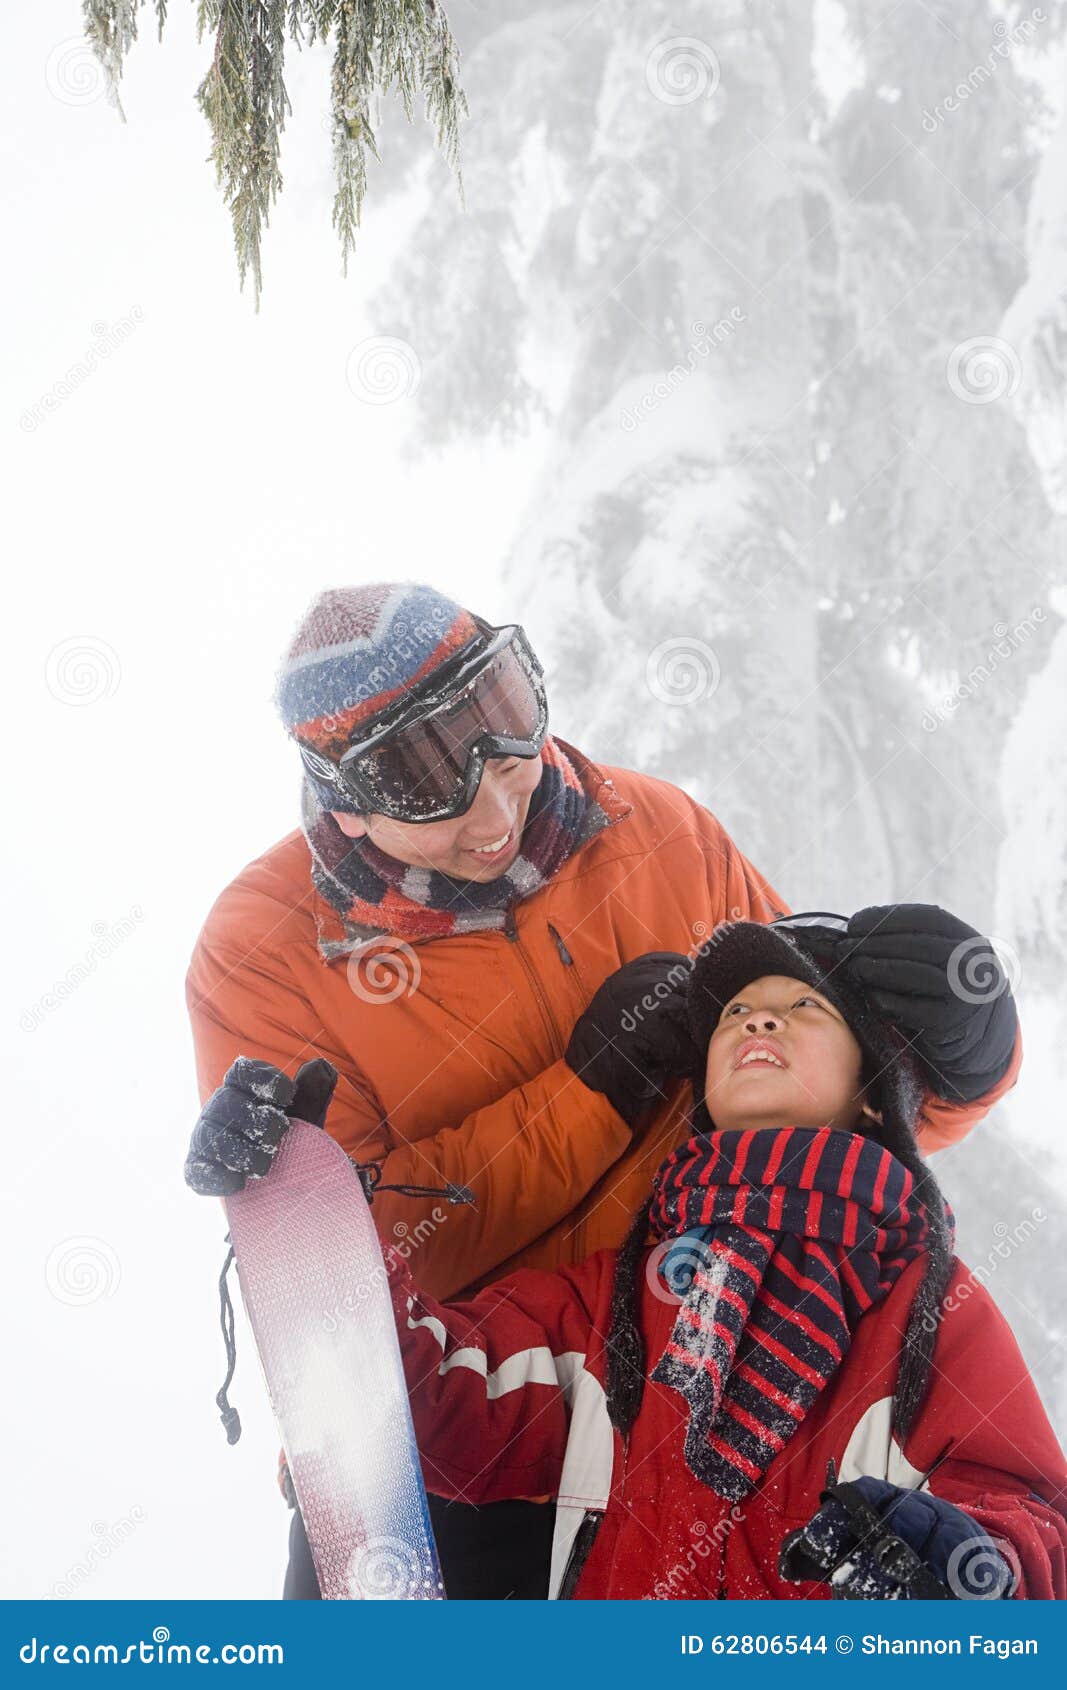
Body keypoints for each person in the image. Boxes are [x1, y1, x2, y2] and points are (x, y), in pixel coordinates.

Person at [184, 581, 1021, 1597]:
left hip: (715, 1380)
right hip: (468, 1422)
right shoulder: (262, 954)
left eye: (503, 729)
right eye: (424, 783)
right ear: (348, 800)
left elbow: (824, 1096)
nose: (497, 808)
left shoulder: (662, 834)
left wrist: (967, 1054)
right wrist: (591, 1096)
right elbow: (364, 1255)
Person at [362, 909, 1064, 1599]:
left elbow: (1023, 1513)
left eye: (802, 1005)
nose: (756, 1019)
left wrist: (960, 1561)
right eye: (733, 1013)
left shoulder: (925, 1305)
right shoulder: (618, 1300)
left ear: (876, 1098)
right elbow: (440, 1396)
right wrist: (324, 1231)